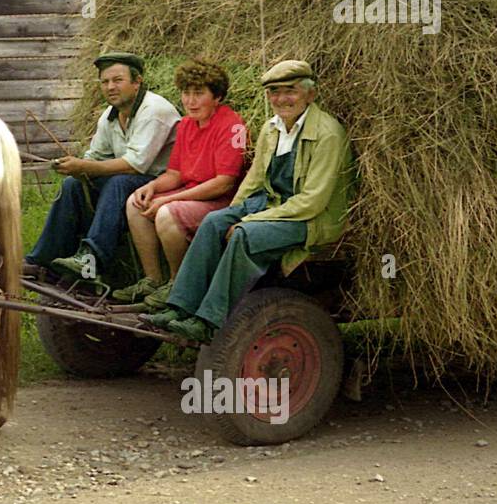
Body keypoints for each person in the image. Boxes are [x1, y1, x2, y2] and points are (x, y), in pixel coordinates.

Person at [141, 59, 355, 343]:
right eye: (275, 92)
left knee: (244, 235)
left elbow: (312, 201)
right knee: (214, 222)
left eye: (290, 91)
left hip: (309, 219)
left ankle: (208, 320)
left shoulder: (327, 134)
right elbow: (253, 179)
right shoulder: (272, 128)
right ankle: (180, 307)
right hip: (271, 204)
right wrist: (234, 211)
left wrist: (249, 220)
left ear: (310, 94)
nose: (282, 99)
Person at [25, 52, 180, 283]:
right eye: (105, 82)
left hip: (163, 183)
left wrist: (85, 165)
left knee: (119, 182)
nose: (110, 87)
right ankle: (44, 260)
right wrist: (77, 167)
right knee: (72, 184)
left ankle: (92, 258)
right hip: (132, 180)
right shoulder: (110, 115)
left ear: (137, 83)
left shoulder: (155, 111)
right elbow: (96, 156)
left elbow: (135, 166)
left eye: (118, 80)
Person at [113, 58, 246, 304]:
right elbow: (175, 174)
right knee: (135, 202)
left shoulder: (232, 125)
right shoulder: (186, 124)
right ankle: (153, 279)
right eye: (186, 93)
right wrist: (151, 187)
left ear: (216, 97)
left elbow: (224, 183)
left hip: (221, 200)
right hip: (192, 192)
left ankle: (178, 285)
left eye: (199, 93)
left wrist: (171, 198)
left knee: (166, 213)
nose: (190, 101)